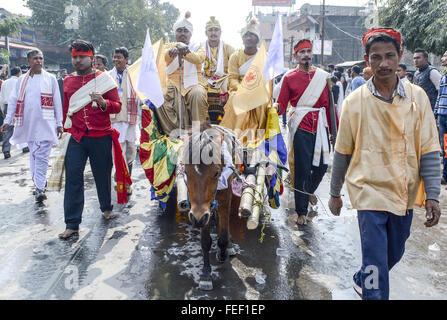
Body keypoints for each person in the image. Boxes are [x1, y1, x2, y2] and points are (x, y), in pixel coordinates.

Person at [329, 28, 441, 300]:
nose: (384, 63)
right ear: (367, 61)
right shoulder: (354, 102)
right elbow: (342, 152)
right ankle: (371, 291)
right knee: (375, 262)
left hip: (403, 192)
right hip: (368, 193)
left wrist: (433, 196)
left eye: (390, 56)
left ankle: (362, 279)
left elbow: (429, 149)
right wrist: (334, 193)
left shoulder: (418, 98)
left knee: (394, 252)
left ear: (399, 56)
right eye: (376, 57)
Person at [59, 39, 125, 239]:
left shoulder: (104, 79)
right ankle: (72, 224)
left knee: (102, 174)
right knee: (73, 178)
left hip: (101, 134)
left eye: (82, 57)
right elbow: (66, 109)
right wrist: (64, 128)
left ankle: (106, 208)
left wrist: (103, 102)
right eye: (75, 57)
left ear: (92, 59)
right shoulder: (68, 81)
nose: (78, 61)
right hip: (77, 136)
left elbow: (117, 105)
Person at [276, 39, 337, 226]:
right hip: (300, 125)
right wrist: (271, 108)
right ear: (296, 56)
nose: (306, 55)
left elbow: (330, 106)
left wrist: (335, 131)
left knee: (321, 166)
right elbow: (281, 104)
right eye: (302, 52)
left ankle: (309, 191)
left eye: (308, 51)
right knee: (302, 170)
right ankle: (301, 211)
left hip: (320, 126)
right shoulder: (289, 77)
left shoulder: (323, 76)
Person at [0, 50, 63, 202]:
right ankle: (38, 183)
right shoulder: (22, 81)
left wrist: (59, 123)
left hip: (46, 124)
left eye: (41, 58)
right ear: (28, 61)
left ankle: (40, 187)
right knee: (34, 155)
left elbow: (57, 102)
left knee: (41, 155)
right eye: (35, 58)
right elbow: (14, 101)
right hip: (28, 125)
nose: (38, 61)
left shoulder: (50, 78)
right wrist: (7, 121)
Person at [154, 12, 208, 134]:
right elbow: (163, 58)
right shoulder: (169, 45)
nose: (182, 33)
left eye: (185, 31)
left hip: (194, 82)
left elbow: (199, 58)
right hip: (172, 82)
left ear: (190, 34)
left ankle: (198, 133)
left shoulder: (197, 46)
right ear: (175, 33)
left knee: (198, 94)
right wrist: (172, 53)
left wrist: (186, 52)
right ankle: (174, 132)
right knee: (159, 95)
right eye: (179, 30)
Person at [220, 17, 268, 145]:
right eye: (246, 35)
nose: (248, 38)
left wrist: (253, 90)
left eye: (252, 35)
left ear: (257, 39)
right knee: (236, 98)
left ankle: (257, 139)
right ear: (242, 39)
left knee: (261, 103)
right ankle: (234, 137)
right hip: (239, 89)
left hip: (258, 90)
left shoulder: (263, 57)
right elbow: (232, 78)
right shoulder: (235, 56)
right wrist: (243, 89)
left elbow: (266, 80)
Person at [109, 47, 139, 195]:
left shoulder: (134, 75)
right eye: (114, 57)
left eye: (119, 57)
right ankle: (123, 182)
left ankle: (126, 179)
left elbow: (141, 92)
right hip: (115, 118)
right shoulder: (108, 76)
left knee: (130, 150)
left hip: (130, 117)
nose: (116, 60)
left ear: (126, 59)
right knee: (118, 150)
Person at [202, 16, 235, 123]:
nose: (213, 33)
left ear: (220, 32)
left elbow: (235, 67)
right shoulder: (200, 48)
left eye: (216, 30)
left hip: (223, 82)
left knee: (230, 87)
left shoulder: (229, 48)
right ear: (206, 33)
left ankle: (225, 121)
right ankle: (204, 120)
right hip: (204, 80)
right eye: (210, 30)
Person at [0, 66, 22, 159]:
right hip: (19, 106)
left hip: (7, 106)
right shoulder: (20, 82)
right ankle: (24, 147)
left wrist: (2, 110)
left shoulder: (5, 83)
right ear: (19, 73)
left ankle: (6, 151)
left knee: (7, 129)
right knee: (21, 127)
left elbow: (1, 97)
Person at [434, 50, 447, 185]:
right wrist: (436, 113)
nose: (442, 58)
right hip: (442, 117)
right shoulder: (443, 77)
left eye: (445, 56)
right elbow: (439, 96)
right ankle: (445, 175)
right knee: (445, 147)